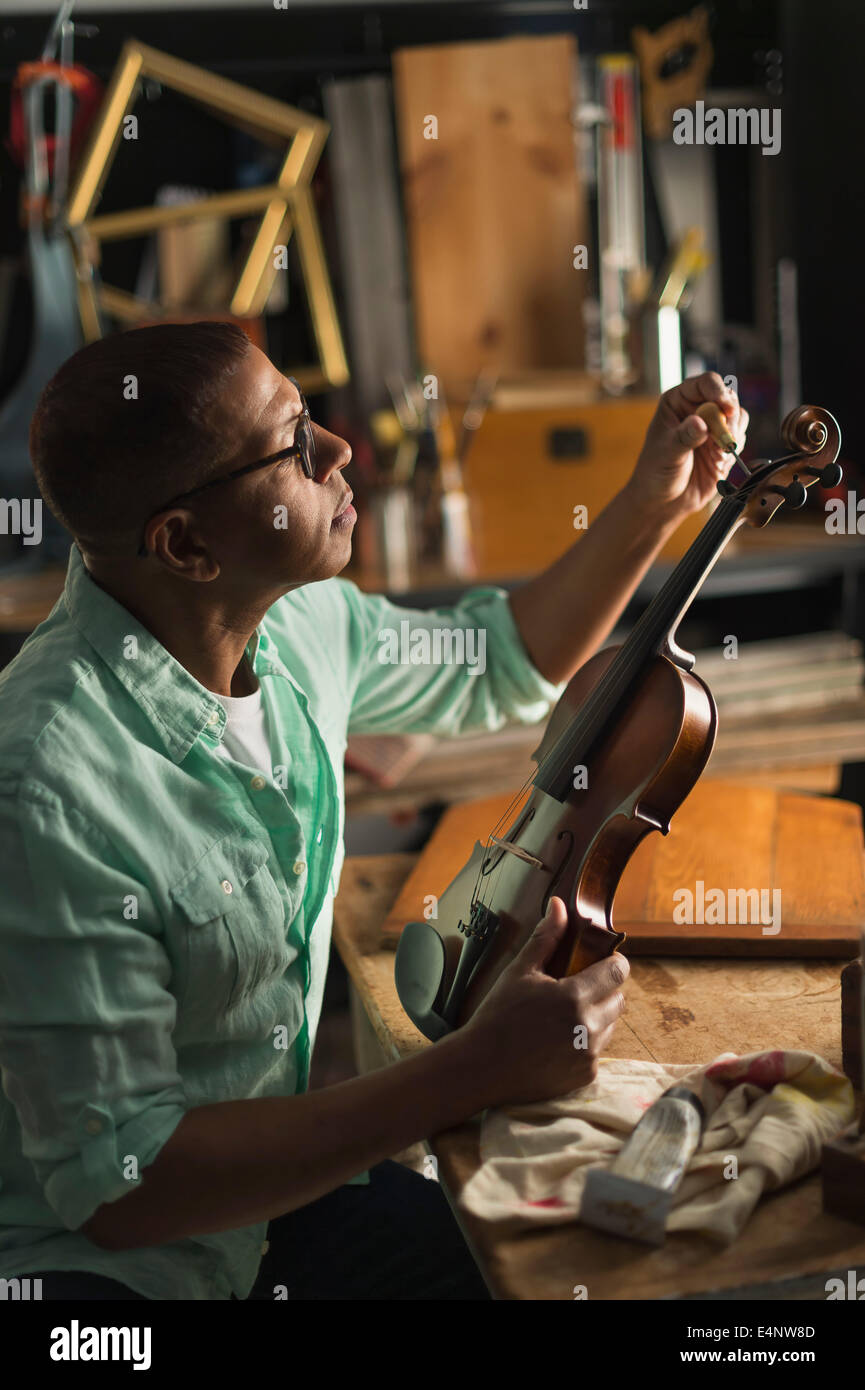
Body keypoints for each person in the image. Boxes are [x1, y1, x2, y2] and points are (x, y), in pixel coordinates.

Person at [0, 323, 747, 1300]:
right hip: (104, 1267)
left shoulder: (299, 621)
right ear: (186, 545)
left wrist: (654, 502)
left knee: (558, 1277)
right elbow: (121, 1182)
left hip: (267, 1211)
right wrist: (470, 1071)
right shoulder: (46, 782)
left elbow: (502, 659)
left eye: (310, 414)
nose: (340, 451)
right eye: (292, 447)